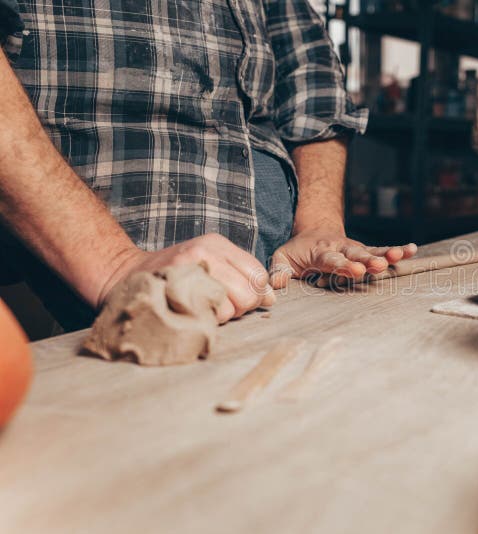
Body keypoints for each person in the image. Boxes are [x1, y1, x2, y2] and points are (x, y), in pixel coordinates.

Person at [0, 0, 416, 332]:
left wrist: (318, 226)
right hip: (77, 281)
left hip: (272, 283)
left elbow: (314, 79)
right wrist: (113, 266)